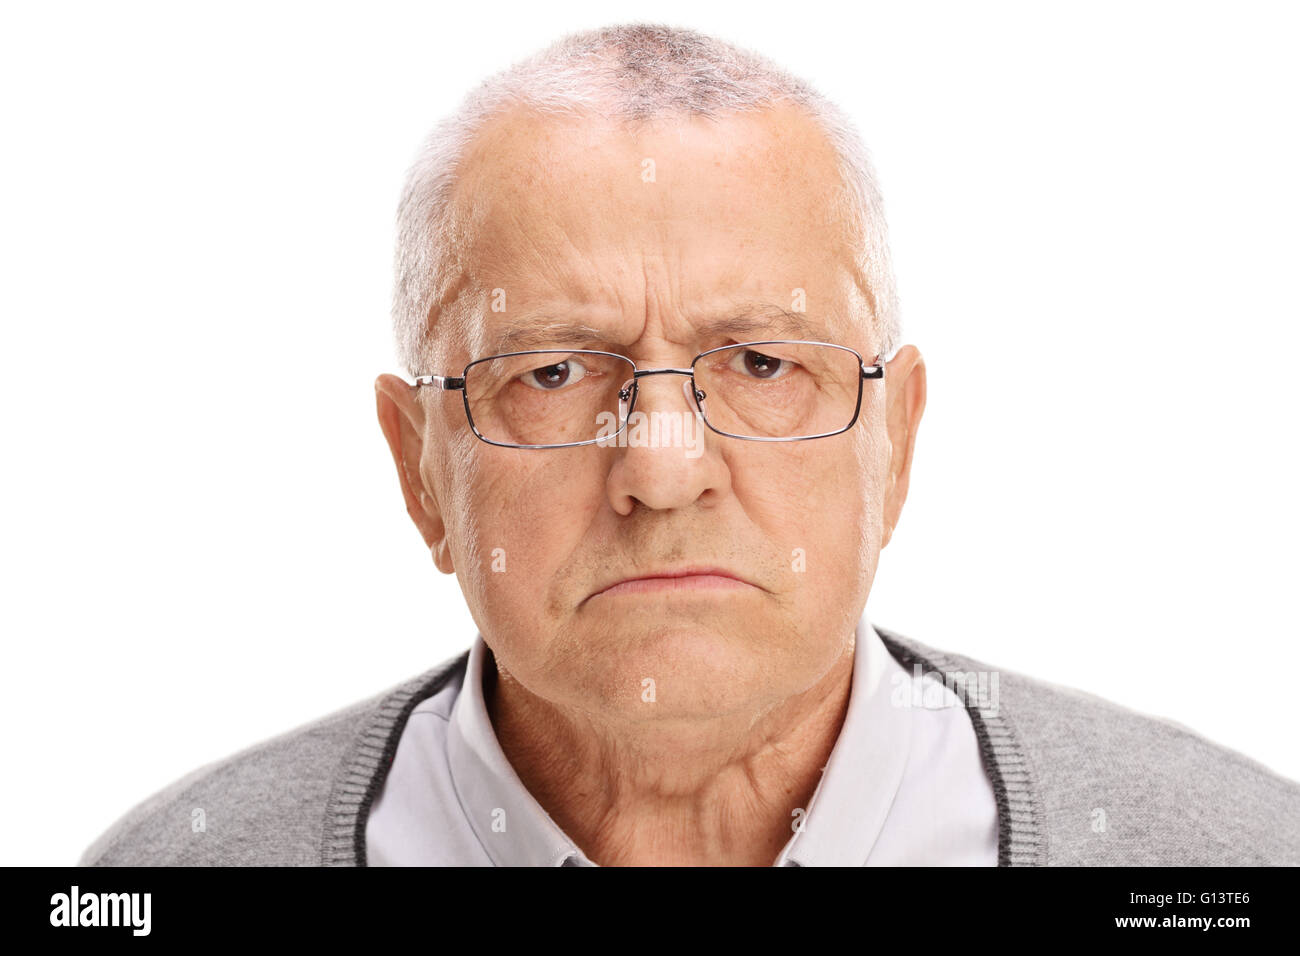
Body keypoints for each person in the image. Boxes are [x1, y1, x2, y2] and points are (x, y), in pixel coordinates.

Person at [80, 22, 1300, 867]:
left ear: (898, 441)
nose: (662, 469)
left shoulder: (1227, 857)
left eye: (763, 364)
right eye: (551, 373)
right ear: (419, 469)